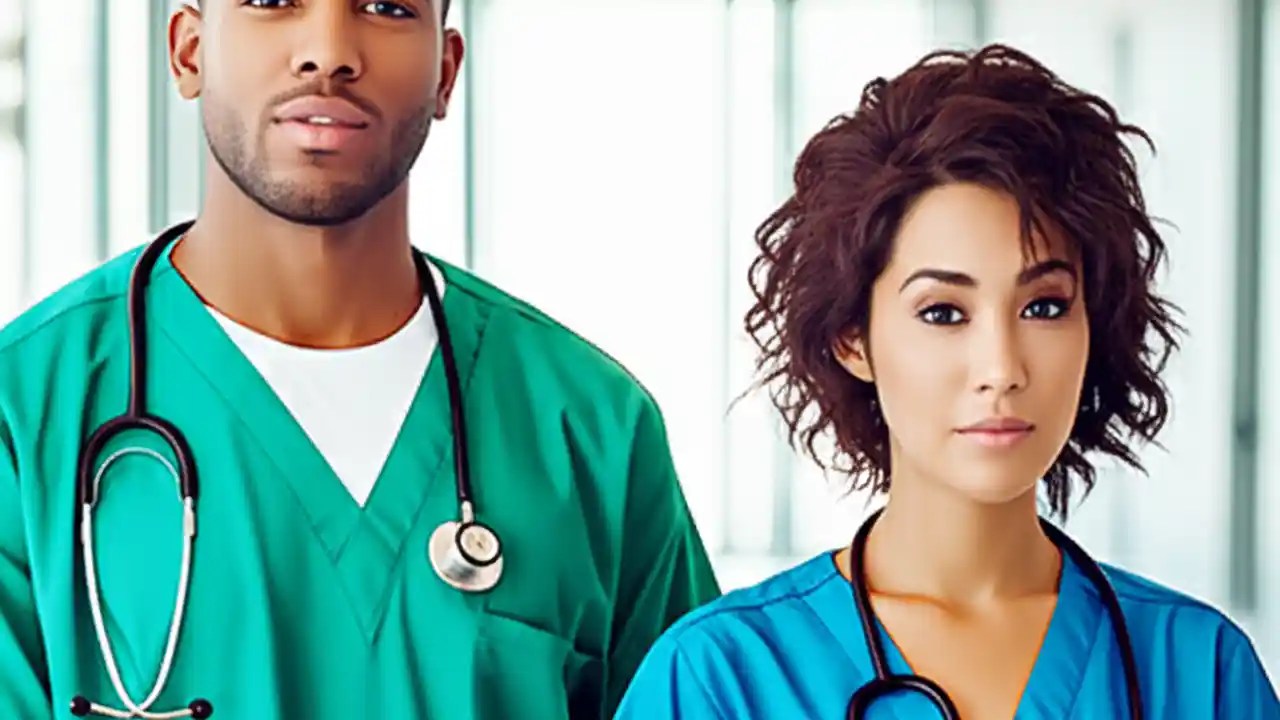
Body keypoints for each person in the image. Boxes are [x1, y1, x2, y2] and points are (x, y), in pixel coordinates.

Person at [0, 1, 719, 718]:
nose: (328, 49)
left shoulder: (591, 428)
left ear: (445, 73)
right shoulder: (26, 410)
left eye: (385, 6)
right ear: (190, 52)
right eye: (272, 1)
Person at [615, 44, 1279, 719]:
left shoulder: (1201, 671)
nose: (1002, 368)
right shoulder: (721, 678)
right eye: (943, 312)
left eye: (1044, 307)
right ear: (853, 338)